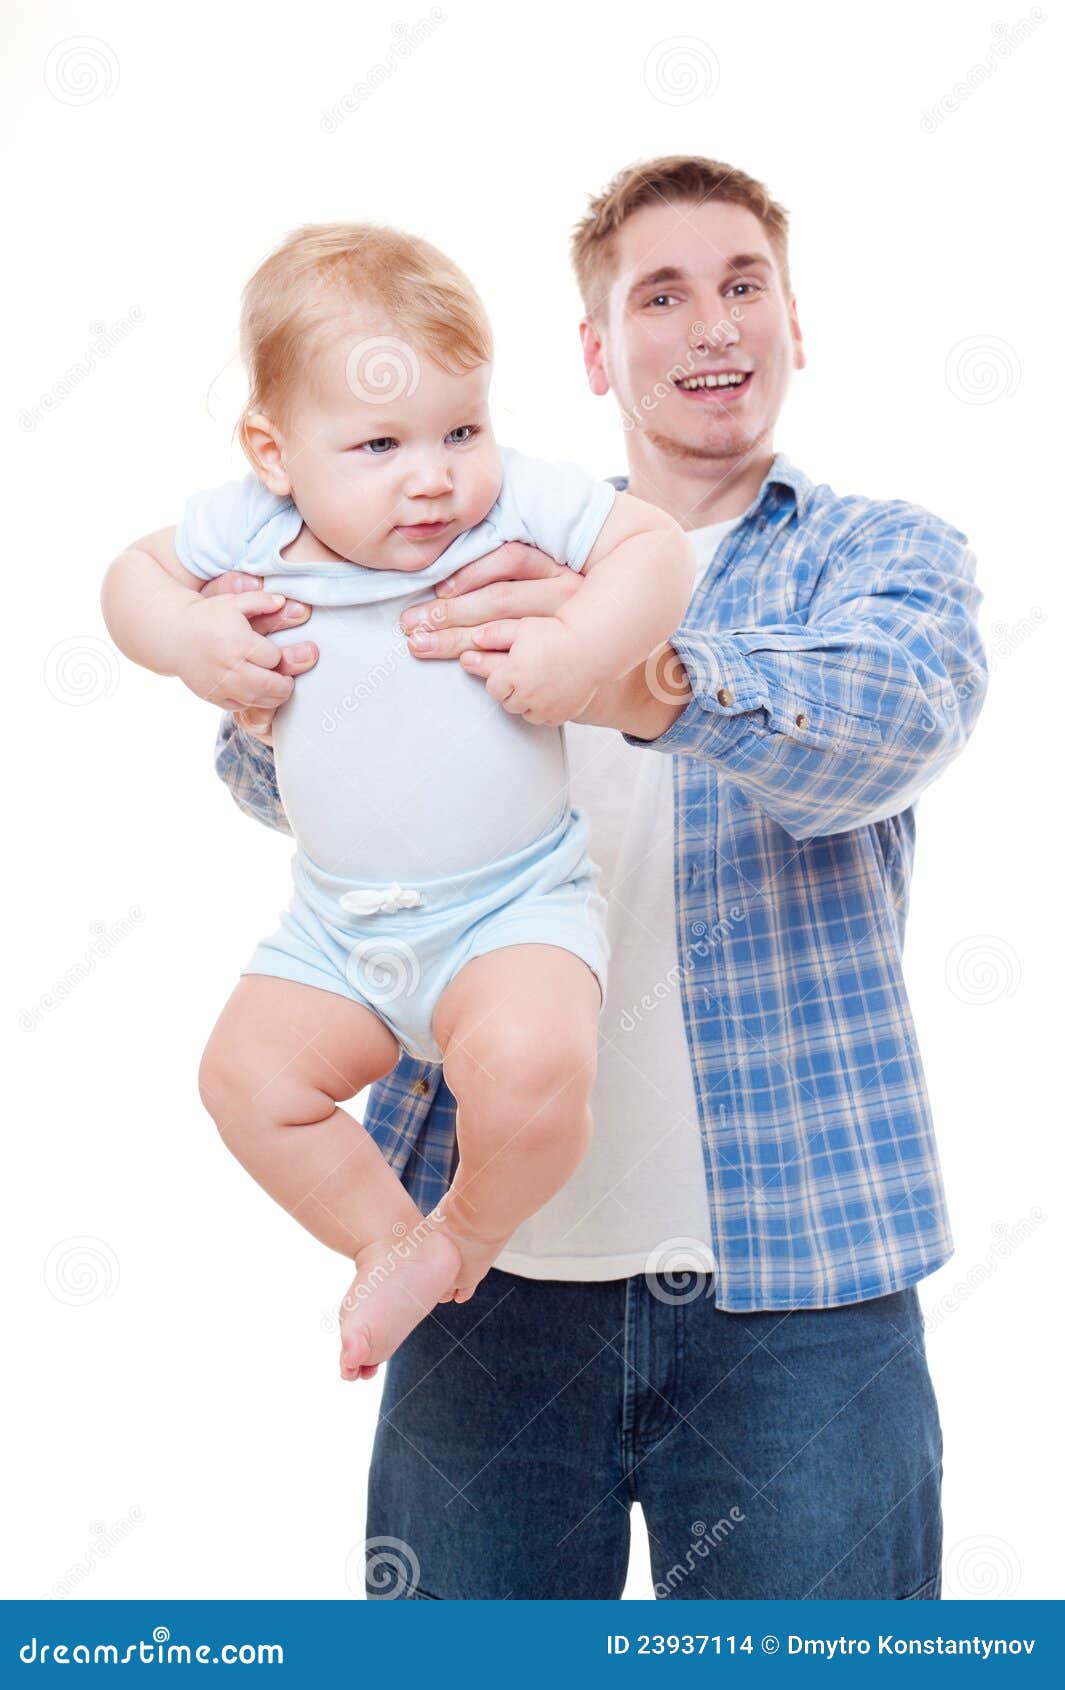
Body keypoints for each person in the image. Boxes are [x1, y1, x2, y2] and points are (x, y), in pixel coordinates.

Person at [203, 157, 988, 1599]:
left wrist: (632, 665)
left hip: (801, 1285)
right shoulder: (454, 531)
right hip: (480, 1275)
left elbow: (891, 723)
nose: (711, 325)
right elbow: (268, 780)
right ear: (592, 348)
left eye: (743, 285)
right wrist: (280, 671)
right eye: (661, 293)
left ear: (794, 322)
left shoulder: (879, 555)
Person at [100, 222, 694, 1381]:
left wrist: (581, 643)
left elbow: (656, 550)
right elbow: (129, 578)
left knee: (529, 1068)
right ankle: (393, 1243)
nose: (434, 474)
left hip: (510, 909)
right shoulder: (251, 529)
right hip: (336, 926)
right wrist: (188, 638)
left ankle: (467, 1230)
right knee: (244, 1080)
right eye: (379, 442)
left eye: (461, 428)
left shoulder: (512, 507)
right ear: (274, 452)